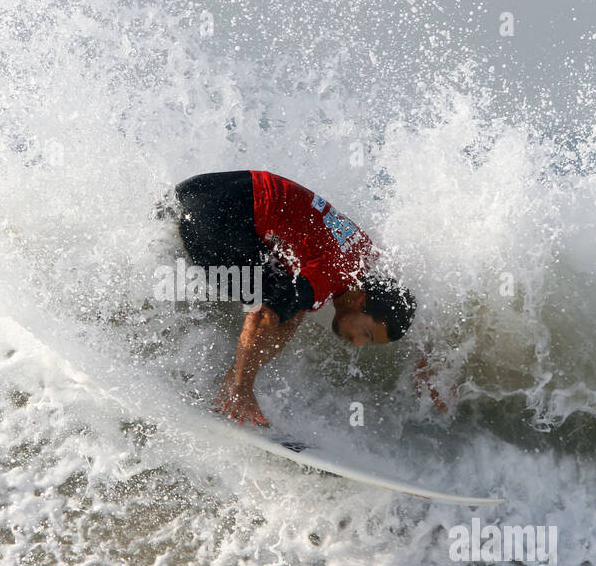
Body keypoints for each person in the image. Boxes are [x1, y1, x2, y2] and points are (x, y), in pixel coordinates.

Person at [167, 169, 443, 427]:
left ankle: (225, 393)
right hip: (218, 218)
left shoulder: (364, 255)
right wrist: (244, 387)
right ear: (361, 303)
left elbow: (402, 296)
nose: (358, 343)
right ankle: (232, 395)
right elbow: (261, 315)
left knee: (293, 310)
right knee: (274, 310)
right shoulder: (329, 275)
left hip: (197, 191)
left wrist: (425, 360)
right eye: (367, 334)